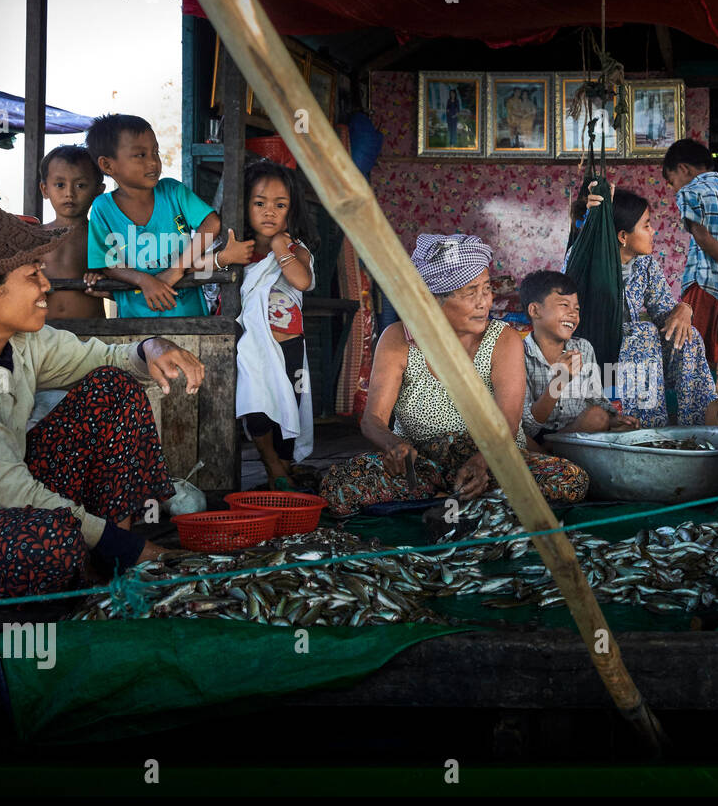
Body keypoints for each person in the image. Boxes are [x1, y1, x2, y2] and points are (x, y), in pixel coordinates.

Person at [0, 191, 206, 601]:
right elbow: (10, 492)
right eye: (32, 274)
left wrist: (153, 346)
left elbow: (107, 360)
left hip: (11, 500)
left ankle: (109, 556)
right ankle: (114, 552)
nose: (46, 285)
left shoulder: (23, 341)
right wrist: (135, 548)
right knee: (51, 543)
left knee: (114, 389)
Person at [319, 234, 589, 513]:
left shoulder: (503, 339)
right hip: (421, 464)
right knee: (338, 487)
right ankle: (459, 499)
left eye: (486, 289)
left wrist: (482, 462)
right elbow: (373, 420)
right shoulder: (398, 339)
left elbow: (508, 423)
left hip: (492, 458)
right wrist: (394, 446)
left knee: (570, 480)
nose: (484, 302)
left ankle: (443, 499)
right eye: (471, 293)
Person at [86, 113, 252, 318]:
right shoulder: (103, 208)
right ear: (108, 165)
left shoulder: (173, 192)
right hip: (135, 320)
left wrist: (177, 269)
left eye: (155, 152)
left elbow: (211, 223)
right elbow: (108, 264)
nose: (153, 162)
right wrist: (144, 280)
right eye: (140, 155)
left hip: (190, 316)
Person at [593, 188, 717, 427]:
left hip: (639, 356)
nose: (653, 231)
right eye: (646, 225)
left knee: (687, 336)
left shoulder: (645, 264)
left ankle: (697, 426)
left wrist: (683, 309)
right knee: (644, 333)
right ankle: (648, 428)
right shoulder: (586, 260)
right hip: (597, 353)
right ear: (622, 236)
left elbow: (664, 313)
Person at [234, 160, 316, 490]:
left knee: (289, 405)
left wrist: (282, 247)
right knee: (257, 404)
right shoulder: (238, 253)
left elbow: (302, 280)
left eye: (279, 205)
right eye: (260, 203)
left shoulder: (298, 251)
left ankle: (283, 464)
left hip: (290, 344)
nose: (269, 212)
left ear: (291, 211)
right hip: (253, 346)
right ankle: (271, 465)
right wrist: (227, 257)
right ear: (245, 206)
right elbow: (203, 268)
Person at [518, 269, 638, 449]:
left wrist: (614, 420)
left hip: (573, 433)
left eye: (577, 308)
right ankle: (548, 458)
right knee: (510, 433)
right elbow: (525, 425)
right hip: (533, 437)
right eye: (564, 305)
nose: (573, 314)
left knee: (598, 417)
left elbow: (596, 399)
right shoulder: (519, 353)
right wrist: (558, 383)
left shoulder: (583, 347)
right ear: (535, 310)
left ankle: (551, 458)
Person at [662, 138, 718, 364]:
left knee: (690, 353)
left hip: (702, 284)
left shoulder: (690, 191)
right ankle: (716, 398)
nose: (673, 187)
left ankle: (695, 400)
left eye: (671, 180)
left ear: (683, 169)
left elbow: (702, 236)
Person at [37, 145, 107, 321]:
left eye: (81, 185)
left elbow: (126, 286)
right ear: (45, 190)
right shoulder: (33, 237)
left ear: (99, 190)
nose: (69, 194)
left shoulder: (104, 237)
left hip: (94, 336)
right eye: (60, 185)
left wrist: (104, 282)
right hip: (42, 336)